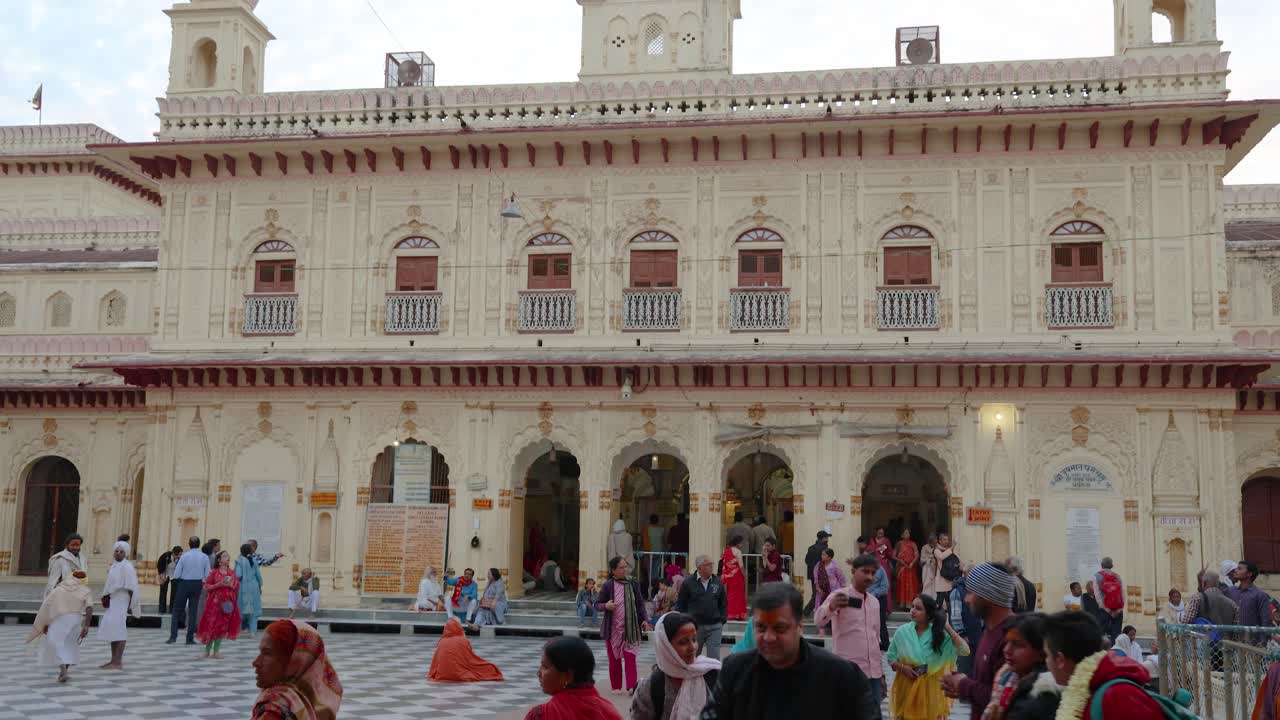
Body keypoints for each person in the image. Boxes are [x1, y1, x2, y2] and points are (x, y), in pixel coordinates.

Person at [702, 582, 880, 719]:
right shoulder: (735, 669)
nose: (769, 637)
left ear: (799, 626)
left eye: (779, 628)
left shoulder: (842, 675)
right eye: (761, 628)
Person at [1041, 610, 1165, 719]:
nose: (1046, 662)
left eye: (1047, 655)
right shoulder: (1086, 692)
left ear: (1060, 660)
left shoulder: (1117, 696)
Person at [941, 562, 1016, 711]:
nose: (966, 599)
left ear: (987, 594)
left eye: (970, 593)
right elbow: (986, 686)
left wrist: (963, 684)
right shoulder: (989, 631)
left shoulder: (1013, 637)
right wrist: (963, 688)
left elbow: (1006, 699)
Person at [887, 593, 970, 720]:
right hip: (907, 687)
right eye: (912, 606)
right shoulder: (902, 632)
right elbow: (891, 658)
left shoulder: (940, 635)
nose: (912, 611)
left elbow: (965, 650)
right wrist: (903, 668)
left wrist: (947, 627)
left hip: (932, 691)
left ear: (929, 614)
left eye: (918, 608)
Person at [817, 553, 887, 702]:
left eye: (873, 573)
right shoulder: (839, 596)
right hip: (847, 674)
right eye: (865, 571)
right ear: (853, 571)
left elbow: (875, 639)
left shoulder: (874, 602)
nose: (869, 577)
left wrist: (881, 674)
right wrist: (832, 606)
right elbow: (819, 621)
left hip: (873, 676)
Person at [631, 612, 720, 720]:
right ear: (666, 647)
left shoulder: (713, 674)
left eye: (694, 639)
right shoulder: (651, 686)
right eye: (683, 642)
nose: (692, 647)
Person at [252, 619, 343, 720]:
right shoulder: (314, 704)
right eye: (260, 652)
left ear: (293, 662)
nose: (256, 662)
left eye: (267, 653)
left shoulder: (275, 712)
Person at [525, 636, 622, 720]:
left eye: (545, 667)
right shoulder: (608, 711)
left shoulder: (541, 715)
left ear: (568, 676)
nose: (539, 673)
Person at [596, 556, 651, 693]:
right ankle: (616, 687)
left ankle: (632, 686)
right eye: (621, 567)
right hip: (613, 628)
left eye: (625, 566)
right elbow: (597, 604)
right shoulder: (608, 585)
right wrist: (606, 605)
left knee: (630, 657)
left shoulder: (633, 583)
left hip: (631, 628)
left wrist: (644, 619)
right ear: (613, 570)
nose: (624, 569)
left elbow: (639, 603)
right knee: (614, 659)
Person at [29, 569, 93, 683]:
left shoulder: (58, 589)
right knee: (70, 645)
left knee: (56, 643)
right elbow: (89, 608)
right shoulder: (86, 590)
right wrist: (87, 625)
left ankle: (63, 670)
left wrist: (45, 622)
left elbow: (47, 605)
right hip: (76, 619)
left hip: (59, 619)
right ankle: (64, 672)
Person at [982, 613, 1048, 720]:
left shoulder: (1044, 693)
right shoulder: (1006, 677)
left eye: (1017, 644)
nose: (1007, 650)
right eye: (1007, 643)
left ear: (1042, 653)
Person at [97, 539, 142, 670]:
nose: (118, 553)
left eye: (121, 551)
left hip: (122, 600)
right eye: (116, 551)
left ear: (126, 553)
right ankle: (113, 660)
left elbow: (132, 588)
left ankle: (118, 662)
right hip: (113, 600)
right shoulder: (114, 565)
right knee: (113, 630)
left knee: (120, 630)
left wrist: (130, 607)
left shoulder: (127, 566)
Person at [675, 554, 726, 659]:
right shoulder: (688, 583)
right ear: (699, 568)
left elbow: (723, 603)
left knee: (714, 659)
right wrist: (685, 622)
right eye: (708, 565)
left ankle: (712, 675)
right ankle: (692, 675)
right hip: (695, 627)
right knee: (692, 657)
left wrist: (722, 620)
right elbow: (681, 604)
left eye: (712, 564)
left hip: (715, 626)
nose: (712, 567)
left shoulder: (717, 582)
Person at [428, 616, 504, 682]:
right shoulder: (462, 640)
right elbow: (470, 659)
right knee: (490, 668)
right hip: (460, 674)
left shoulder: (442, 641)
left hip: (442, 674)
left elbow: (435, 663)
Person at [196, 549, 240, 658]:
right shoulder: (214, 572)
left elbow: (236, 586)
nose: (227, 558)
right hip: (214, 604)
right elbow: (206, 587)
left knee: (222, 626)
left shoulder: (231, 572)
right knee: (212, 625)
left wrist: (231, 585)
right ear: (219, 560)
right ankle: (207, 651)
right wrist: (219, 584)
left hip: (227, 603)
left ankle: (216, 651)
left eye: (228, 556)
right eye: (225, 556)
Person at [168, 535, 210, 645]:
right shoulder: (204, 557)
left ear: (189, 544)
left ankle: (173, 636)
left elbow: (176, 574)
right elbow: (207, 574)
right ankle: (189, 638)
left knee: (177, 610)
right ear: (199, 544)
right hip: (197, 584)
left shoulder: (184, 556)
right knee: (193, 611)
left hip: (184, 583)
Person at [1225, 561, 1275, 645]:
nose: (1235, 570)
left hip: (1253, 645)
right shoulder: (1230, 591)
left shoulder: (1260, 595)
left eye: (1239, 568)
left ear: (1249, 574)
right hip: (1232, 644)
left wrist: (1262, 642)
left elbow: (1266, 621)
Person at [950, 562, 983, 675]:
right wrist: (962, 634)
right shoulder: (957, 590)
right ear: (965, 573)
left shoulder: (976, 588)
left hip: (977, 635)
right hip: (965, 637)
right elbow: (955, 615)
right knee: (964, 668)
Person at [44, 533, 87, 599]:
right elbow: (53, 581)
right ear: (67, 545)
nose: (75, 547)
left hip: (78, 595)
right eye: (72, 545)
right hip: (62, 595)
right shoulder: (60, 559)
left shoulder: (82, 559)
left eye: (77, 545)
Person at [1094, 556, 1125, 640]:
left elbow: (1097, 595)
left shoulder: (1097, 576)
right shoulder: (1117, 576)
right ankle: (1115, 652)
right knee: (1116, 635)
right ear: (1112, 566)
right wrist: (1119, 609)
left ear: (1101, 565)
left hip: (1104, 611)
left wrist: (1106, 609)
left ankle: (1104, 653)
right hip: (1118, 610)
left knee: (1102, 634)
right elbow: (1122, 594)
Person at [236, 543, 264, 637]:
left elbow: (238, 575)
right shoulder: (254, 561)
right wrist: (260, 586)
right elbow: (259, 577)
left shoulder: (239, 561)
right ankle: (253, 632)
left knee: (240, 609)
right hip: (254, 587)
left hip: (243, 587)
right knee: (254, 610)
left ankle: (238, 630)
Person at [812, 547, 847, 618]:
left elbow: (841, 577)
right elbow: (816, 577)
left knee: (832, 607)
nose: (822, 556)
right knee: (822, 608)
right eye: (822, 554)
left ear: (829, 557)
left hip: (833, 589)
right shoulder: (819, 565)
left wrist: (843, 588)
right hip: (821, 590)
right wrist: (818, 587)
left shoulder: (834, 565)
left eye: (824, 555)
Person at [803, 530, 831, 616]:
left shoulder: (811, 548)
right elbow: (826, 562)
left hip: (812, 575)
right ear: (823, 538)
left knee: (818, 594)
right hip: (821, 574)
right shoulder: (825, 549)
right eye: (827, 537)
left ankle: (820, 612)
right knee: (818, 595)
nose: (828, 539)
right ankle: (805, 612)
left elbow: (806, 560)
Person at [720, 534, 748, 621]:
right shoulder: (738, 552)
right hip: (737, 576)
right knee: (739, 595)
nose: (742, 545)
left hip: (729, 576)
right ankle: (738, 614)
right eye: (741, 543)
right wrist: (744, 574)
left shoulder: (727, 551)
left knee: (731, 595)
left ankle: (730, 613)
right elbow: (741, 566)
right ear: (738, 543)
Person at [895, 529, 921, 610]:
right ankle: (902, 604)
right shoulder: (899, 544)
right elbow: (893, 555)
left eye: (908, 533)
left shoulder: (913, 544)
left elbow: (917, 554)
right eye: (905, 533)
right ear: (902, 535)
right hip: (902, 568)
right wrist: (900, 561)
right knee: (902, 586)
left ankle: (910, 604)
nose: (907, 534)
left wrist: (912, 563)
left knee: (911, 586)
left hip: (910, 568)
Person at [933, 533, 957, 613]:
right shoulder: (936, 550)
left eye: (947, 539)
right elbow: (942, 557)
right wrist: (952, 548)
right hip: (941, 578)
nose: (946, 541)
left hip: (949, 578)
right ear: (940, 541)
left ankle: (951, 619)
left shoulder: (948, 550)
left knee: (949, 600)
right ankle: (935, 617)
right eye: (944, 539)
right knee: (939, 600)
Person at [156, 545, 182, 614]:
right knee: (163, 592)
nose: (180, 556)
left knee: (174, 593)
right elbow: (159, 565)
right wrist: (161, 576)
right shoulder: (165, 556)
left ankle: (172, 609)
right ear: (174, 553)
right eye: (179, 555)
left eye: (180, 554)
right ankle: (161, 609)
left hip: (174, 575)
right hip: (165, 574)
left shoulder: (181, 559)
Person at [920, 534, 939, 602]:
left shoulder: (937, 547)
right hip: (926, 569)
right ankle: (926, 599)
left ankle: (934, 599)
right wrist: (929, 560)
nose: (935, 543)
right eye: (934, 541)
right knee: (926, 583)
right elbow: (922, 559)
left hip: (935, 568)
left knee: (934, 584)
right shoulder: (924, 548)